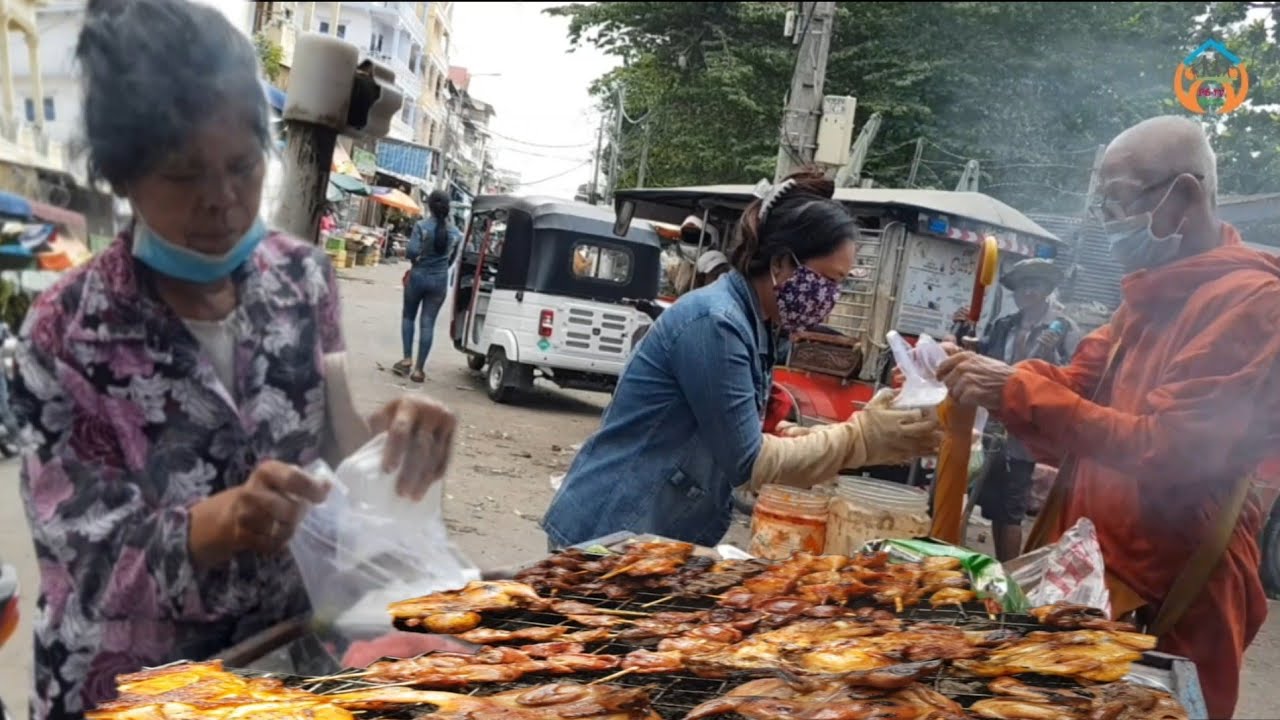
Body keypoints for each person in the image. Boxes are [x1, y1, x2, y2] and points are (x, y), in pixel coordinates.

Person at [13, 1, 458, 716]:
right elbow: (81, 560)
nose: (222, 200)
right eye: (185, 175)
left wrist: (399, 439)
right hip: (130, 688)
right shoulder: (60, 333)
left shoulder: (304, 280)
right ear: (122, 177)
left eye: (243, 166)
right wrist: (215, 524)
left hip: (279, 676)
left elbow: (338, 441)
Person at [936, 115, 1274, 719]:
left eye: (1117, 202)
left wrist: (1017, 390)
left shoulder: (1249, 303)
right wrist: (982, 378)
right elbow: (1074, 388)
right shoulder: (1148, 296)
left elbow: (1169, 451)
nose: (1109, 223)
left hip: (1175, 588)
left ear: (1185, 196)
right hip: (1092, 576)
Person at [542, 169, 942, 549]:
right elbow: (748, 463)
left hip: (646, 532)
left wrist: (814, 437)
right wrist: (859, 438)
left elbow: (740, 430)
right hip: (609, 532)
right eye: (830, 280)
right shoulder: (716, 323)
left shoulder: (756, 324)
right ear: (782, 263)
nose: (832, 297)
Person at [951, 259, 1079, 561]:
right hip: (991, 421)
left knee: (1010, 509)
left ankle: (1011, 574)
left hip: (1026, 428)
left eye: (1033, 284)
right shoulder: (1004, 324)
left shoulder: (1062, 330)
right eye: (1021, 286)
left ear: (1047, 289)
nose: (1026, 292)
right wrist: (961, 330)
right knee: (982, 498)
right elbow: (979, 353)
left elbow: (1077, 379)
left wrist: (1051, 358)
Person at [394, 189, 461, 383]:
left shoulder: (421, 227)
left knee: (408, 316)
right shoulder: (456, 233)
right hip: (439, 281)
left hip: (418, 277)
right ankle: (419, 370)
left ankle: (406, 359)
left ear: (429, 207)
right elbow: (451, 260)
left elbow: (411, 252)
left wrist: (418, 259)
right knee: (428, 322)